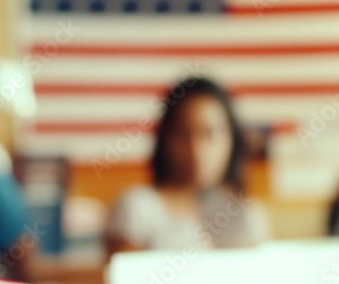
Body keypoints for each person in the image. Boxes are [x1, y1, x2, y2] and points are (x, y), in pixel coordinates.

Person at [105, 77, 272, 254]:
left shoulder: (245, 213)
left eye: (210, 133)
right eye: (182, 133)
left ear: (232, 140)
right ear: (165, 139)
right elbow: (126, 277)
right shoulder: (137, 208)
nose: (197, 149)